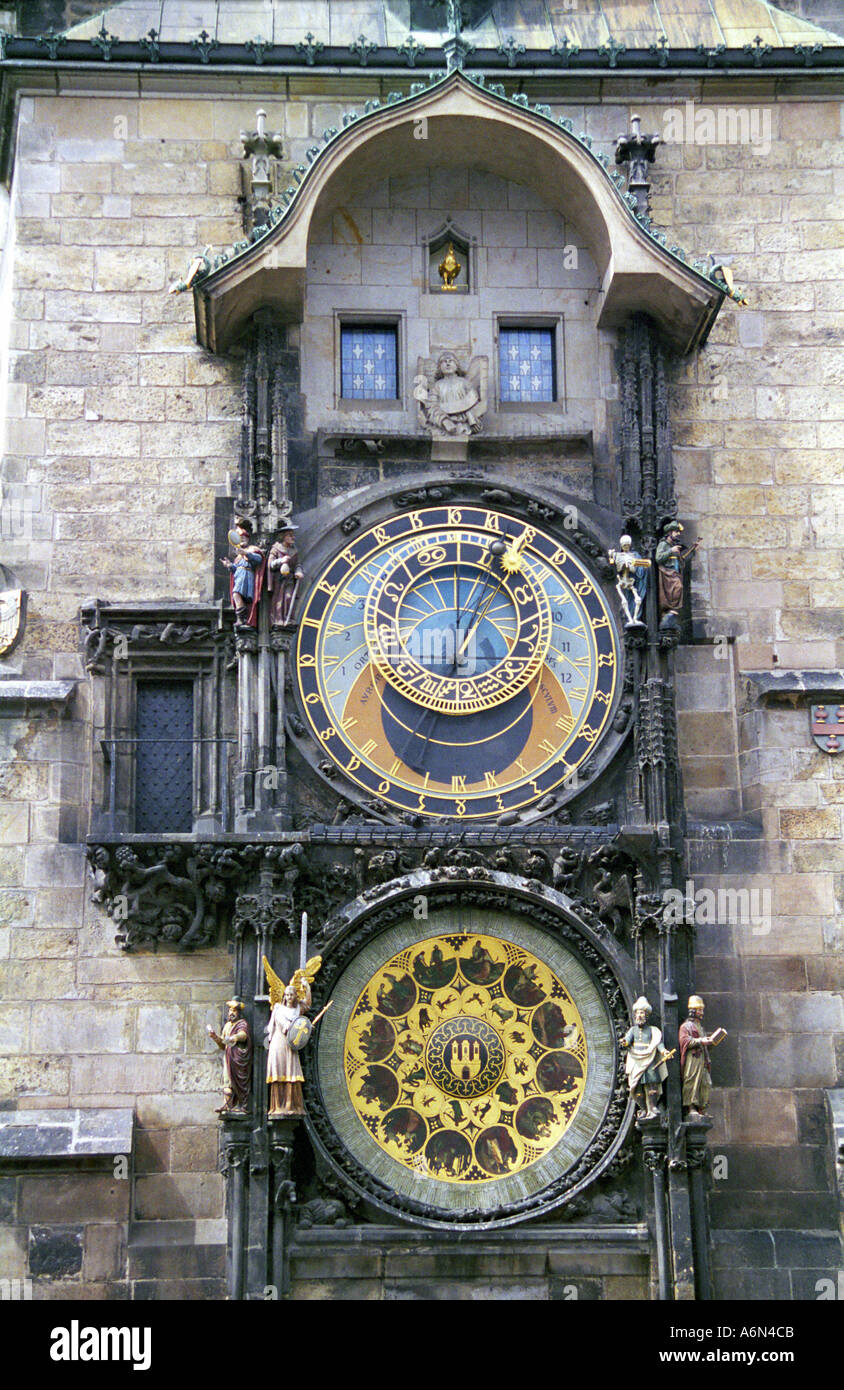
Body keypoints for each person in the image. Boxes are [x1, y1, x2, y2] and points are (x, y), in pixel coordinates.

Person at [620, 996, 673, 1118]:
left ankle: (652, 1107)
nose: (639, 1016)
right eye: (638, 1013)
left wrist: (663, 1051)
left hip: (649, 1058)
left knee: (652, 1083)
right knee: (636, 1085)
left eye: (642, 1013)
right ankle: (643, 1108)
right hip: (636, 1059)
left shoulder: (652, 1030)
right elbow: (627, 1040)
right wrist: (625, 1042)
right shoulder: (633, 1030)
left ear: (646, 1015)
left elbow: (657, 1042)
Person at [266, 981, 308, 1116]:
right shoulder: (278, 1009)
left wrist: (307, 988)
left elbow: (307, 1004)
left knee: (292, 1072)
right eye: (287, 995)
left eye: (291, 994)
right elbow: (286, 1026)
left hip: (292, 1045)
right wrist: (299, 1027)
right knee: (278, 1071)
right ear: (284, 996)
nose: (289, 997)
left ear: (296, 996)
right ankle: (278, 1105)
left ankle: (291, 1104)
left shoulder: (297, 1009)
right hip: (279, 1043)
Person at [207, 999, 252, 1114]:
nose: (231, 1013)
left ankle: (242, 1105)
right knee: (227, 1082)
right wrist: (215, 1037)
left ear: (239, 1013)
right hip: (228, 1058)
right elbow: (223, 1044)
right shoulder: (227, 1026)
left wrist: (234, 1037)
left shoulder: (242, 1024)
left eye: (234, 1011)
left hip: (238, 1058)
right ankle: (228, 1105)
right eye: (230, 1010)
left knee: (238, 1082)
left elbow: (243, 1035)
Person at [679, 995, 720, 1118]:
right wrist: (701, 1041)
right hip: (693, 1060)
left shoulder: (700, 1027)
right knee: (692, 1082)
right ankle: (691, 1107)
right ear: (693, 1011)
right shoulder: (686, 1026)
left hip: (702, 1059)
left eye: (702, 1010)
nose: (701, 1013)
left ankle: (702, 1107)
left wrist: (711, 1041)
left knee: (706, 1082)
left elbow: (703, 1043)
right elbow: (685, 1041)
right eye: (699, 1010)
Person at [221, 517, 264, 627]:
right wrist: (230, 565)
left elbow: (258, 559)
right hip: (239, 577)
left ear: (248, 539)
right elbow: (236, 570)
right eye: (241, 538)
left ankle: (243, 618)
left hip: (247, 577)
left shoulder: (252, 549)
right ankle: (242, 618)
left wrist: (246, 553)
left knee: (236, 594)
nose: (243, 539)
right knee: (236, 595)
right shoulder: (238, 556)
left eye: (245, 537)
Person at [609, 534, 651, 625]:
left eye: (628, 545)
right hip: (623, 581)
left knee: (637, 599)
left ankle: (635, 618)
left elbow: (640, 570)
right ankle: (630, 618)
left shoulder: (635, 555)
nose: (626, 547)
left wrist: (633, 566)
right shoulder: (618, 555)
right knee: (626, 600)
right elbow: (618, 568)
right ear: (621, 546)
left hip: (632, 581)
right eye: (624, 546)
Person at [267, 527, 303, 626]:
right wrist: (280, 561)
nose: (293, 538)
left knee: (288, 597)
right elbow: (270, 564)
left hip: (290, 578)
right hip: (279, 578)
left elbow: (297, 564)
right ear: (283, 537)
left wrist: (298, 571)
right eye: (290, 535)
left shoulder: (294, 550)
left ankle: (288, 618)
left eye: (293, 535)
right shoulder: (276, 548)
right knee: (279, 599)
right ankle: (278, 619)